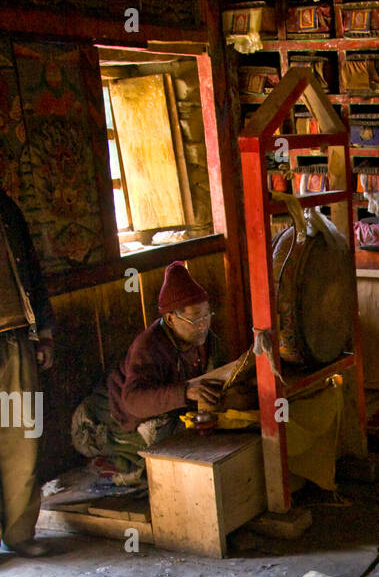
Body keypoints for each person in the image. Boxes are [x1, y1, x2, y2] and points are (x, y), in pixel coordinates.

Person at [71, 260, 223, 484]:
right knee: (161, 455)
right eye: (195, 319)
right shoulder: (149, 346)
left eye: (206, 316)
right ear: (171, 319)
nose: (203, 325)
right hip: (105, 419)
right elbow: (133, 401)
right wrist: (186, 392)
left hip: (158, 414)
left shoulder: (203, 338)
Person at [0, 184, 56, 557]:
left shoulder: (6, 208)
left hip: (15, 338)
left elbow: (31, 270)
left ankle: (19, 535)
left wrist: (45, 333)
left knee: (21, 437)